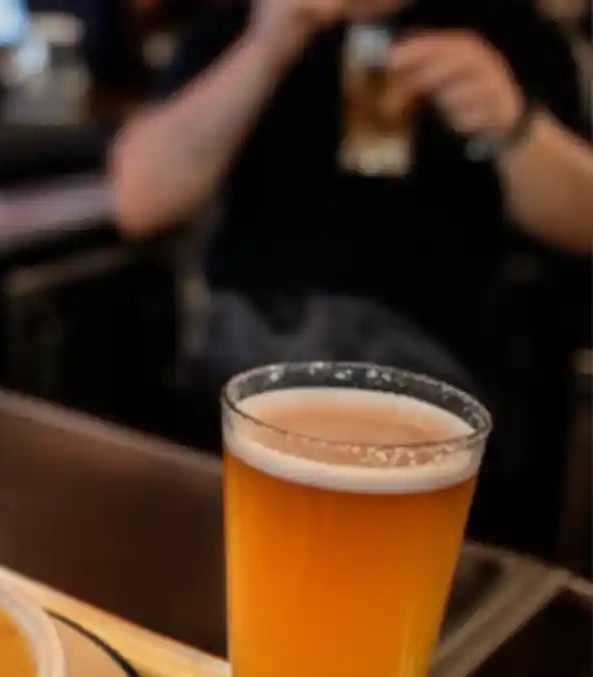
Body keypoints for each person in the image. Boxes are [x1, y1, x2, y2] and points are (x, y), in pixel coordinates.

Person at [110, 0, 593, 391]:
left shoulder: (512, 32)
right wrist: (267, 45)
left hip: (437, 368)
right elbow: (140, 201)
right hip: (248, 356)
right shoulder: (246, 23)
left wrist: (513, 125)